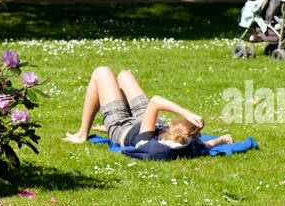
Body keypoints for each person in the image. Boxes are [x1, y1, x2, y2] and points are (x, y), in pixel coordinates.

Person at [63, 66, 234, 155]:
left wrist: (186, 113)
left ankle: (81, 134)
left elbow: (155, 102)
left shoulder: (147, 142)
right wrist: (222, 139)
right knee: (124, 75)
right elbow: (206, 144)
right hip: (148, 121)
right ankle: (113, 109)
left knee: (102, 72)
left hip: (122, 126)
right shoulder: (188, 145)